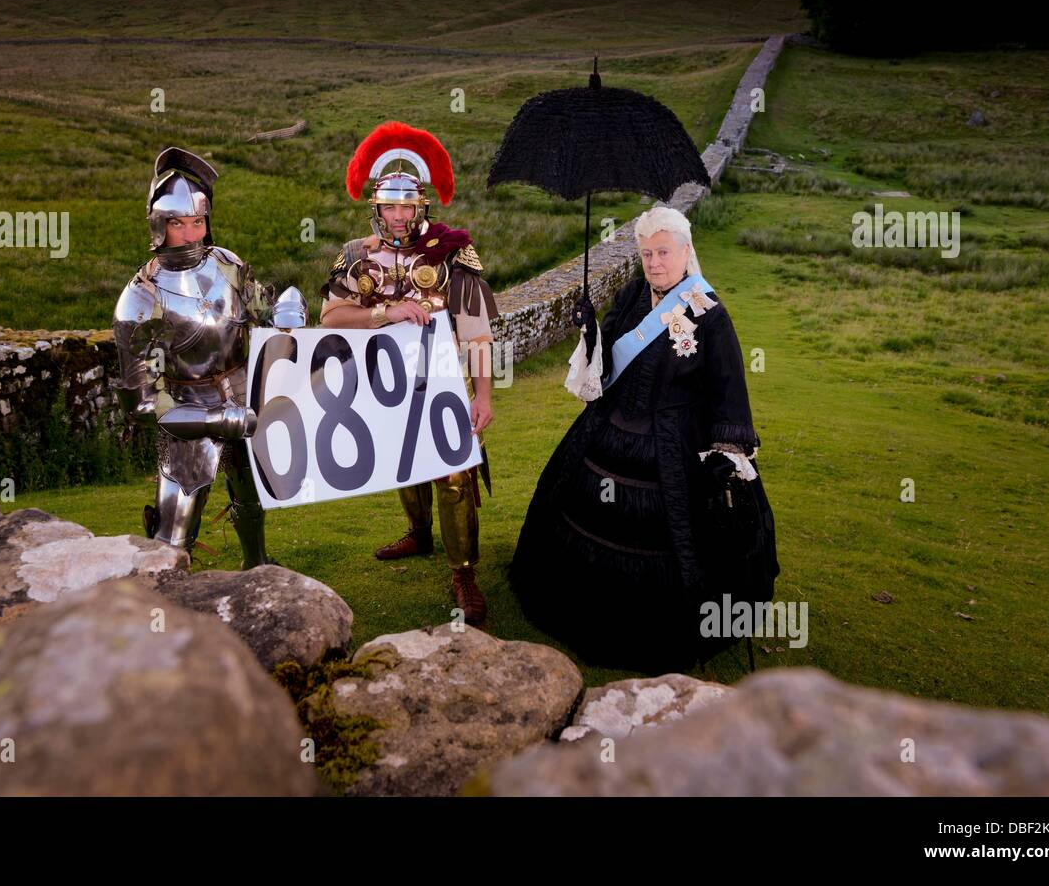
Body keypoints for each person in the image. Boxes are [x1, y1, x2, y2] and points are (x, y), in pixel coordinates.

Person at [508, 204, 779, 672]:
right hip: (609, 430)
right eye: (647, 253)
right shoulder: (634, 294)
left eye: (663, 252)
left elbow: (728, 386)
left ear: (686, 251)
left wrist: (725, 454)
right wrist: (591, 331)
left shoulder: (709, 314)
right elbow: (604, 370)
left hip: (676, 444)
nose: (654, 262)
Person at [320, 121, 497, 626]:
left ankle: (463, 570)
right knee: (404, 464)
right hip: (386, 383)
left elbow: (478, 332)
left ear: (422, 206)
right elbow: (331, 319)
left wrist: (483, 395)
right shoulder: (355, 257)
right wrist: (384, 313)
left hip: (445, 384)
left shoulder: (453, 252)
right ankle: (419, 533)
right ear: (375, 206)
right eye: (389, 207)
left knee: (455, 475)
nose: (398, 217)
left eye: (407, 207)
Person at [112, 147, 281, 567]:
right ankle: (163, 609)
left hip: (245, 395)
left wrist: (287, 307)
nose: (191, 234)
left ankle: (257, 569)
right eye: (177, 223)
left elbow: (261, 310)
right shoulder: (140, 301)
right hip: (187, 414)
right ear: (157, 225)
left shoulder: (226, 263)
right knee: (174, 530)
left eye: (198, 221)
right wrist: (213, 420)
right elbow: (142, 403)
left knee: (251, 494)